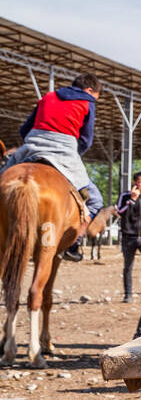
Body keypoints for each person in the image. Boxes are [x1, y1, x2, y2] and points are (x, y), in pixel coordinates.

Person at [5, 73, 105, 261]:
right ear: (90, 90)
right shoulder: (88, 102)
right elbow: (86, 139)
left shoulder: (48, 96)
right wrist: (74, 155)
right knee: (95, 200)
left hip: (32, 145)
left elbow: (24, 129)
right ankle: (73, 244)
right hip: (64, 151)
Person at [117, 172, 141, 301]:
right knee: (128, 265)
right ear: (134, 183)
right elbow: (120, 212)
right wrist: (132, 200)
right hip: (129, 237)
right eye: (140, 182)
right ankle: (128, 294)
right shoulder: (125, 196)